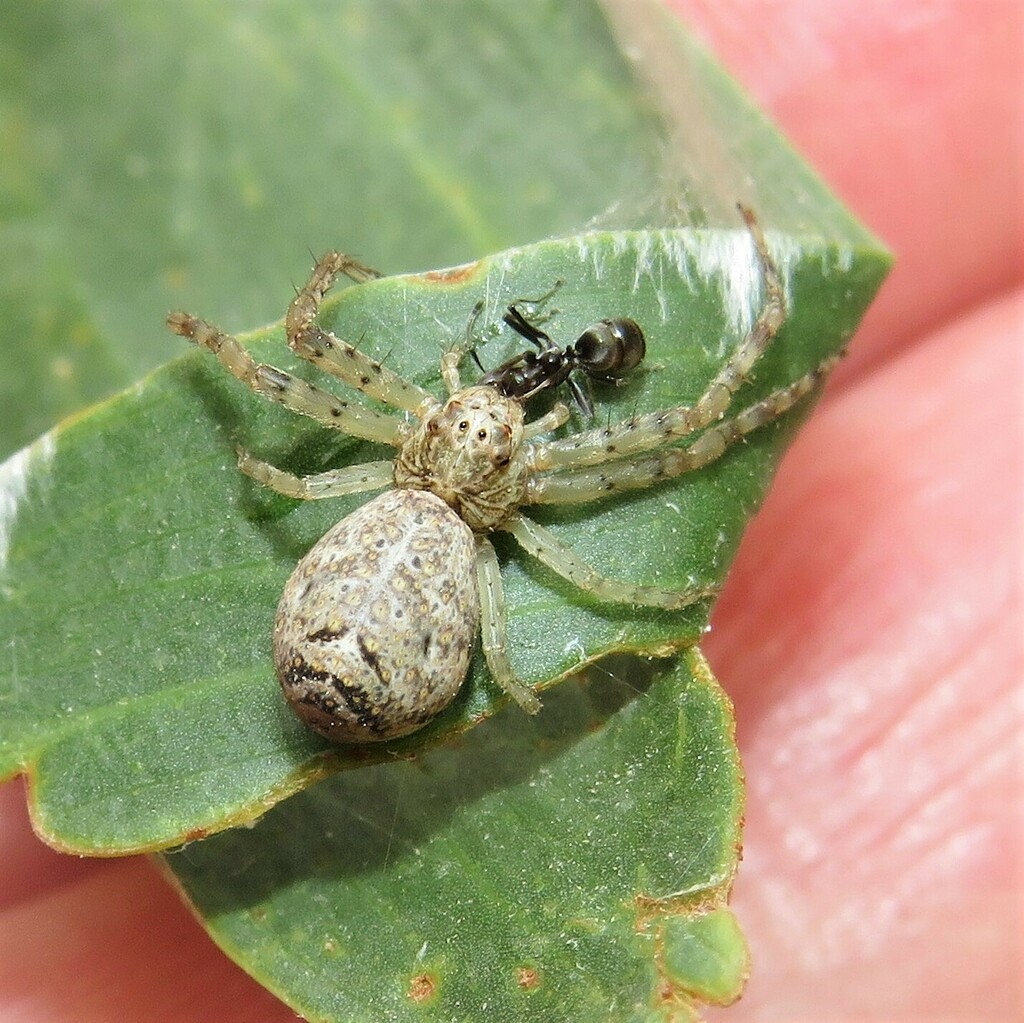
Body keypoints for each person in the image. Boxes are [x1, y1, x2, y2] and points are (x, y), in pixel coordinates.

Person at [0, 2, 1019, 1018]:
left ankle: (786, 356)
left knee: (686, 431)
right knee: (687, 435)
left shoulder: (402, 433)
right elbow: (678, 438)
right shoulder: (528, 488)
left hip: (366, 596)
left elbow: (301, 354)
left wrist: (243, 333)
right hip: (384, 620)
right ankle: (785, 365)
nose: (486, 413)